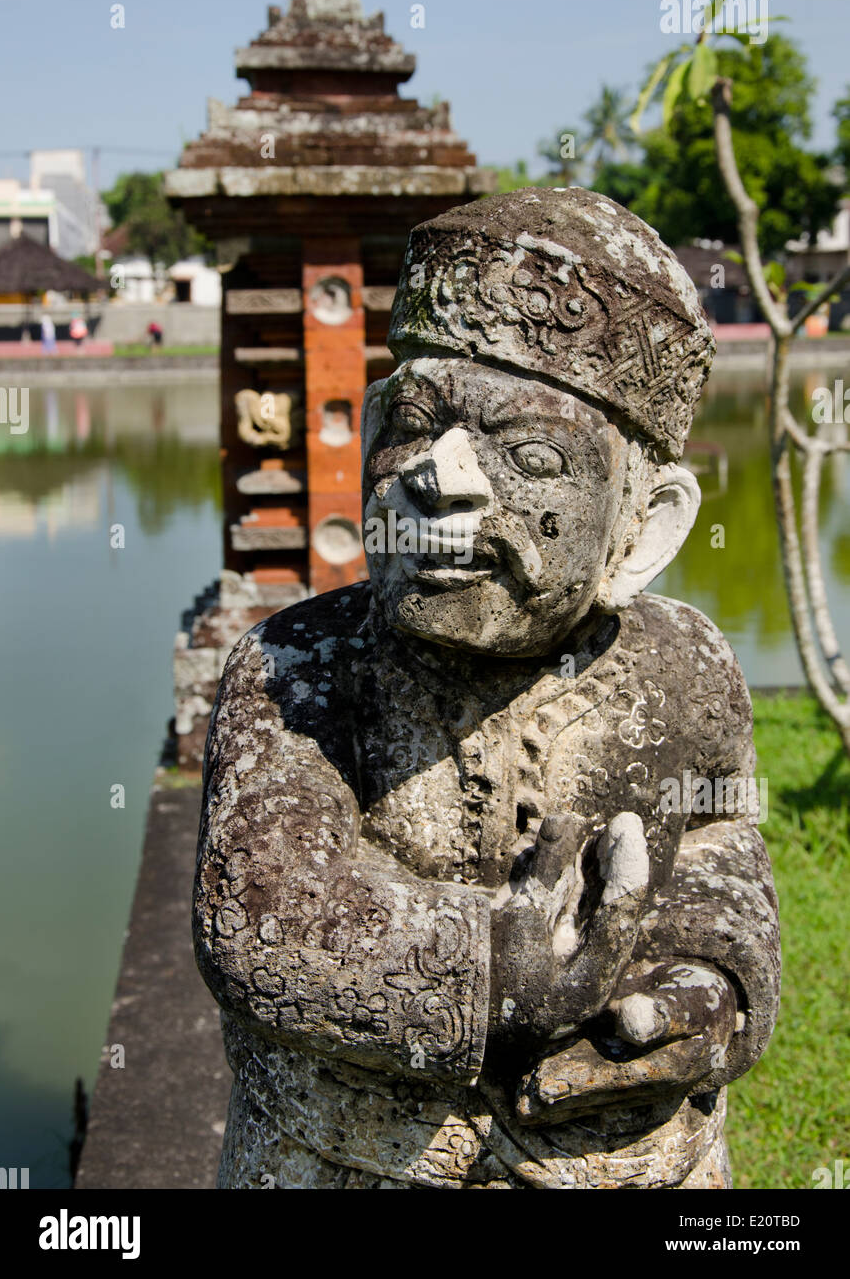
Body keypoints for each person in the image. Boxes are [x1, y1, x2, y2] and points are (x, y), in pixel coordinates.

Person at [194, 189, 780, 1189]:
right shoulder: (297, 668)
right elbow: (257, 912)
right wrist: (497, 969)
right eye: (414, 425)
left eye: (530, 455)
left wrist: (709, 986)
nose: (440, 476)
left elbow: (721, 844)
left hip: (624, 1160)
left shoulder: (685, 668)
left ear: (643, 526)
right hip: (348, 1155)